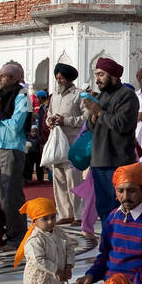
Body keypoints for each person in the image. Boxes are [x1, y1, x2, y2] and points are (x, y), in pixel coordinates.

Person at [85, 57, 140, 224]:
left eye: (101, 74)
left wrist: (100, 113)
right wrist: (93, 115)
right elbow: (91, 127)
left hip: (119, 161)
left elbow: (122, 125)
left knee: (120, 206)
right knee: (103, 207)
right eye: (96, 75)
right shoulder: (101, 97)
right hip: (99, 161)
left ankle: (122, 242)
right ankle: (109, 242)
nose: (98, 79)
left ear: (113, 76)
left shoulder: (127, 96)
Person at [0, 62, 30, 243]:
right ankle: (7, 230)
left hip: (12, 149)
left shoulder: (21, 98)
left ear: (12, 79)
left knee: (12, 194)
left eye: (3, 76)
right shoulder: (0, 97)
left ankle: (18, 235)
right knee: (1, 194)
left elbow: (15, 126)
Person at [46, 63, 87, 224]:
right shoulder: (54, 95)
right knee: (59, 179)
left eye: (61, 78)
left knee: (73, 179)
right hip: (57, 143)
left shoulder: (79, 95)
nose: (59, 80)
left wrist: (66, 121)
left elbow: (86, 118)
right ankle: (65, 213)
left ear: (69, 79)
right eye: (57, 78)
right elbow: (49, 112)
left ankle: (79, 215)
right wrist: (50, 120)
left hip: (72, 143)